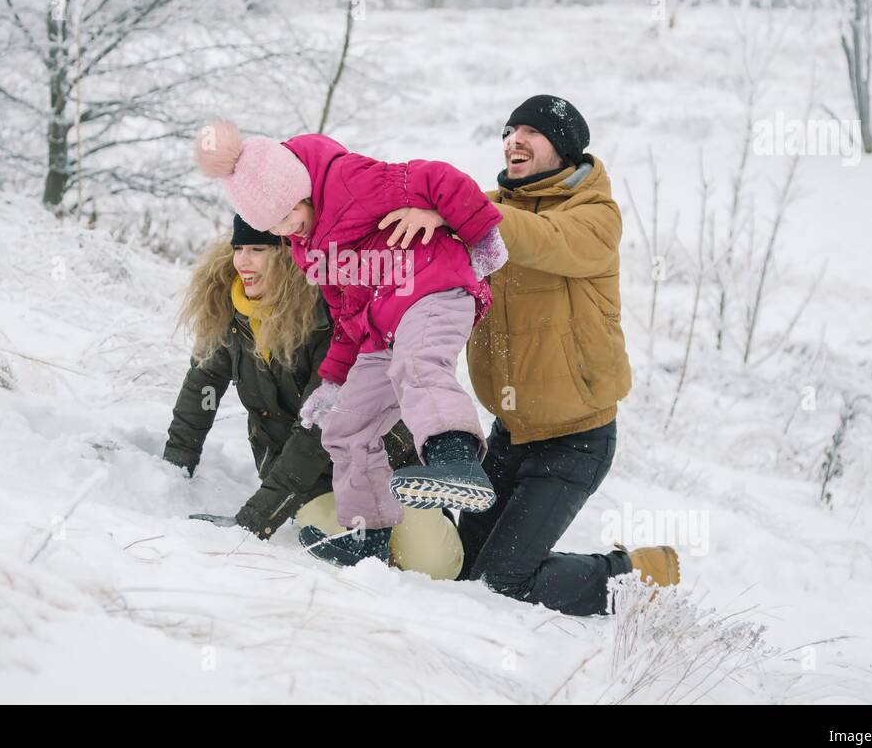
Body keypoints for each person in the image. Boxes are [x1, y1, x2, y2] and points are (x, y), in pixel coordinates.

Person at [380, 95, 680, 614]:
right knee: (461, 571)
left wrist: (460, 210)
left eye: (530, 132)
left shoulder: (595, 215)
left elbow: (545, 240)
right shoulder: (490, 204)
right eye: (508, 130)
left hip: (575, 440)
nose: (513, 140)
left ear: (562, 147)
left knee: (502, 584)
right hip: (507, 433)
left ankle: (637, 576)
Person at [193, 120, 509, 569]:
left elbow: (437, 177)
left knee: (416, 365)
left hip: (432, 289)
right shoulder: (306, 245)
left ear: (299, 188)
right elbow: (345, 318)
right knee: (345, 426)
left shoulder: (350, 180)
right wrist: (333, 382)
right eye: (276, 227)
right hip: (382, 327)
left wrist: (481, 237)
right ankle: (369, 535)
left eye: (287, 216)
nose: (287, 230)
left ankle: (453, 454)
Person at [163, 214, 464, 579]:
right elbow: (201, 391)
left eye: (258, 249)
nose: (242, 261)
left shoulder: (331, 316)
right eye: (238, 248)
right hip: (310, 481)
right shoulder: (230, 310)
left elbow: (317, 430)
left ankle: (432, 520)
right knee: (344, 554)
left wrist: (255, 521)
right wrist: (172, 474)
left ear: (289, 255)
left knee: (436, 567)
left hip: (381, 462)